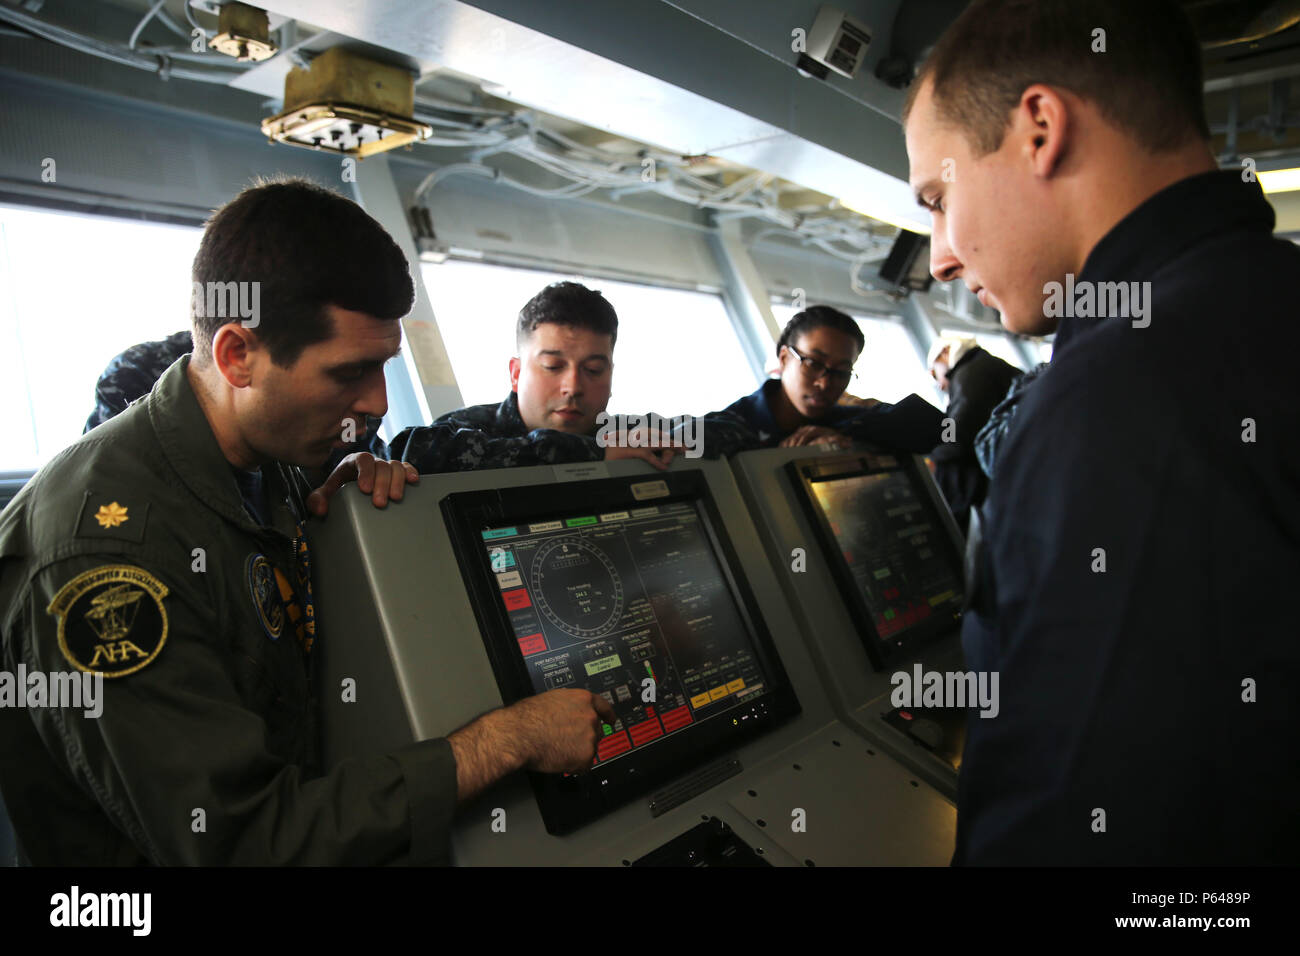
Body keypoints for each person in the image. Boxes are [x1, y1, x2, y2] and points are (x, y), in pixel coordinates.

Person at [0, 178, 614, 865]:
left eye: (383, 367)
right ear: (238, 356)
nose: (378, 403)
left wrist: (341, 518)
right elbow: (245, 842)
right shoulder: (103, 553)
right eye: (349, 372)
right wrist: (506, 741)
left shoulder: (281, 462)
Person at [903, 0, 1299, 864]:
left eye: (938, 198)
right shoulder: (1266, 298)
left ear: (1041, 127)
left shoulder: (1114, 407)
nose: (939, 255)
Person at [391, 281, 691, 472]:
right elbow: (412, 452)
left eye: (593, 370)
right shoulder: (464, 431)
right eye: (552, 366)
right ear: (516, 373)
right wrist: (594, 453)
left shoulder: (630, 437)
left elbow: (717, 431)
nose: (573, 387)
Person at [84, 329, 388, 464]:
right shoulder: (136, 372)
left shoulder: (332, 409)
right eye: (348, 372)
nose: (379, 404)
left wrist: (351, 491)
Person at [706, 306, 943, 454]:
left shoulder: (844, 419)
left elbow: (939, 429)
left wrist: (850, 438)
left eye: (841, 372)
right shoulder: (737, 424)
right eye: (814, 364)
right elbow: (697, 433)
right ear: (784, 358)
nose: (825, 384)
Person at [926, 335, 1021, 531]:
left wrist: (931, 453)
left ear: (944, 353)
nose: (940, 385)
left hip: (991, 493)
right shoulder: (990, 366)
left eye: (935, 374)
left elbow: (959, 434)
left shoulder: (969, 374)